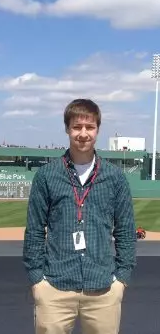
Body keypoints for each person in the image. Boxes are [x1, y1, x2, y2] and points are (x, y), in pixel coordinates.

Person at [23, 99, 137, 334]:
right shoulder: (47, 175)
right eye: (77, 127)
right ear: (67, 129)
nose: (83, 133)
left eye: (90, 127)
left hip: (103, 288)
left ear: (97, 130)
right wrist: (37, 279)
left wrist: (122, 278)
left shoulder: (115, 178)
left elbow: (125, 231)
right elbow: (34, 230)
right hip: (55, 287)